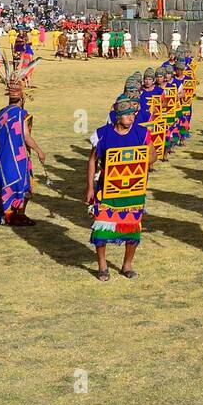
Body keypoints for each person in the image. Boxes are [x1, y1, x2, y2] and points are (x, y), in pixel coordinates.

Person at [86, 95, 157, 280]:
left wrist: (140, 158)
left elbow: (153, 156)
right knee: (102, 227)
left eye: (133, 114)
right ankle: (102, 265)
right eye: (127, 115)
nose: (131, 118)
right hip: (107, 188)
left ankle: (127, 265)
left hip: (133, 190)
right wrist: (90, 188)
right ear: (118, 117)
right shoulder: (102, 134)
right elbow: (92, 160)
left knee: (132, 227)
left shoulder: (141, 134)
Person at [0, 74, 46, 225]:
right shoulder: (21, 114)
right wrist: (39, 151)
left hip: (1, 158)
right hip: (18, 158)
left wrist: (3, 132)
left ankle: (7, 216)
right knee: (24, 185)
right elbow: (26, 136)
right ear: (22, 99)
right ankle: (18, 215)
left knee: (6, 183)